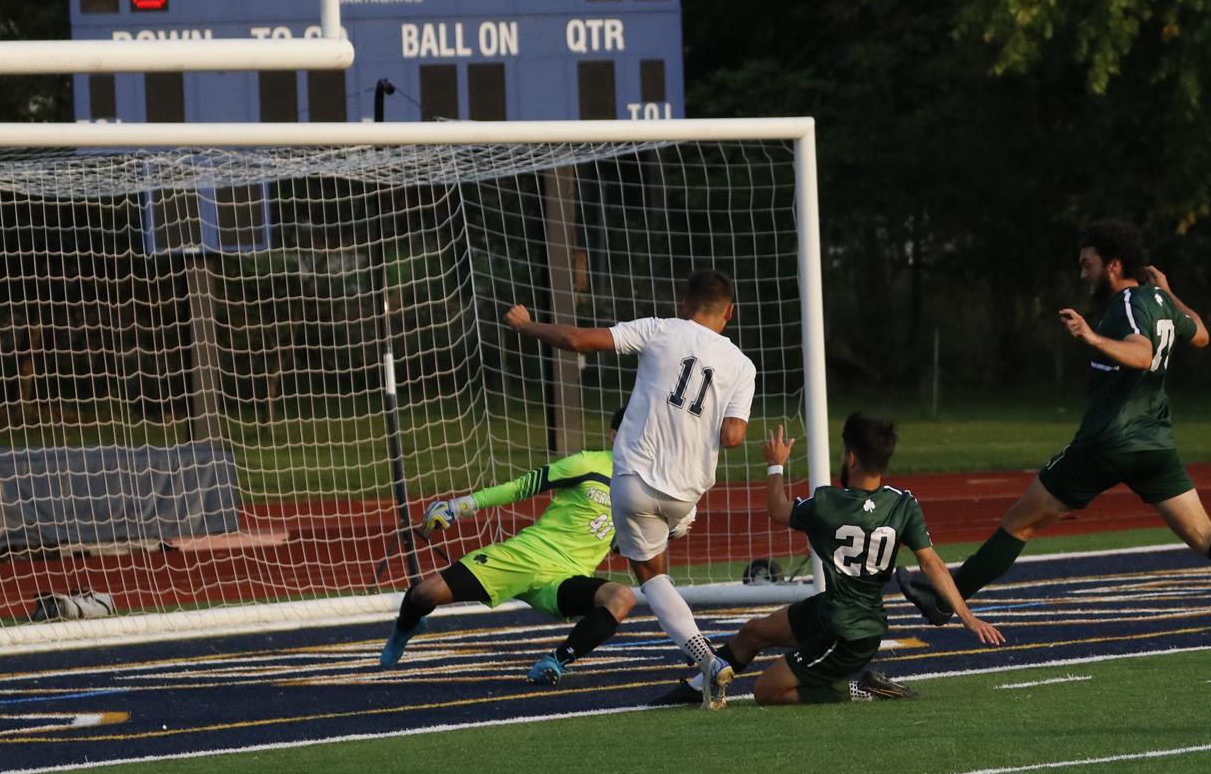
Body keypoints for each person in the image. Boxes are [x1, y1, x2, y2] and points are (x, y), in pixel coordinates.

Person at [896, 221, 1211, 637]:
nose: (1082, 274)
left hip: (1108, 442)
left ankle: (942, 601)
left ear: (1114, 264)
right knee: (1205, 536)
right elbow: (1201, 335)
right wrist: (1170, 292)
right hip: (1155, 445)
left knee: (1019, 524)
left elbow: (1141, 354)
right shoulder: (1159, 301)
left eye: (1088, 264)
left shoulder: (1126, 304)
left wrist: (1091, 338)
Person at [504, 268, 755, 709]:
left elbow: (577, 340)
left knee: (650, 576)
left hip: (635, 482)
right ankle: (669, 530)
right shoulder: (742, 365)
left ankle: (707, 660)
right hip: (686, 491)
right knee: (663, 537)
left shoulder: (659, 329)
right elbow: (733, 436)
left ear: (684, 305)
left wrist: (527, 326)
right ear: (729, 313)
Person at [654, 413, 1002, 708]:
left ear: (851, 458)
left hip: (848, 631)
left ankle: (862, 689)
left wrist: (775, 464)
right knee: (754, 631)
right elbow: (932, 564)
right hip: (839, 610)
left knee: (767, 691)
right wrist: (967, 617)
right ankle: (701, 684)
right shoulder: (903, 504)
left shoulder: (828, 504)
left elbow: (777, 510)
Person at [380, 409, 640, 684]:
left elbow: (630, 542)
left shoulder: (647, 489)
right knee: (424, 593)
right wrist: (459, 506)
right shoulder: (587, 463)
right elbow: (521, 487)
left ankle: (555, 662)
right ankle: (405, 627)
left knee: (622, 597)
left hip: (565, 579)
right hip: (523, 556)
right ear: (613, 436)